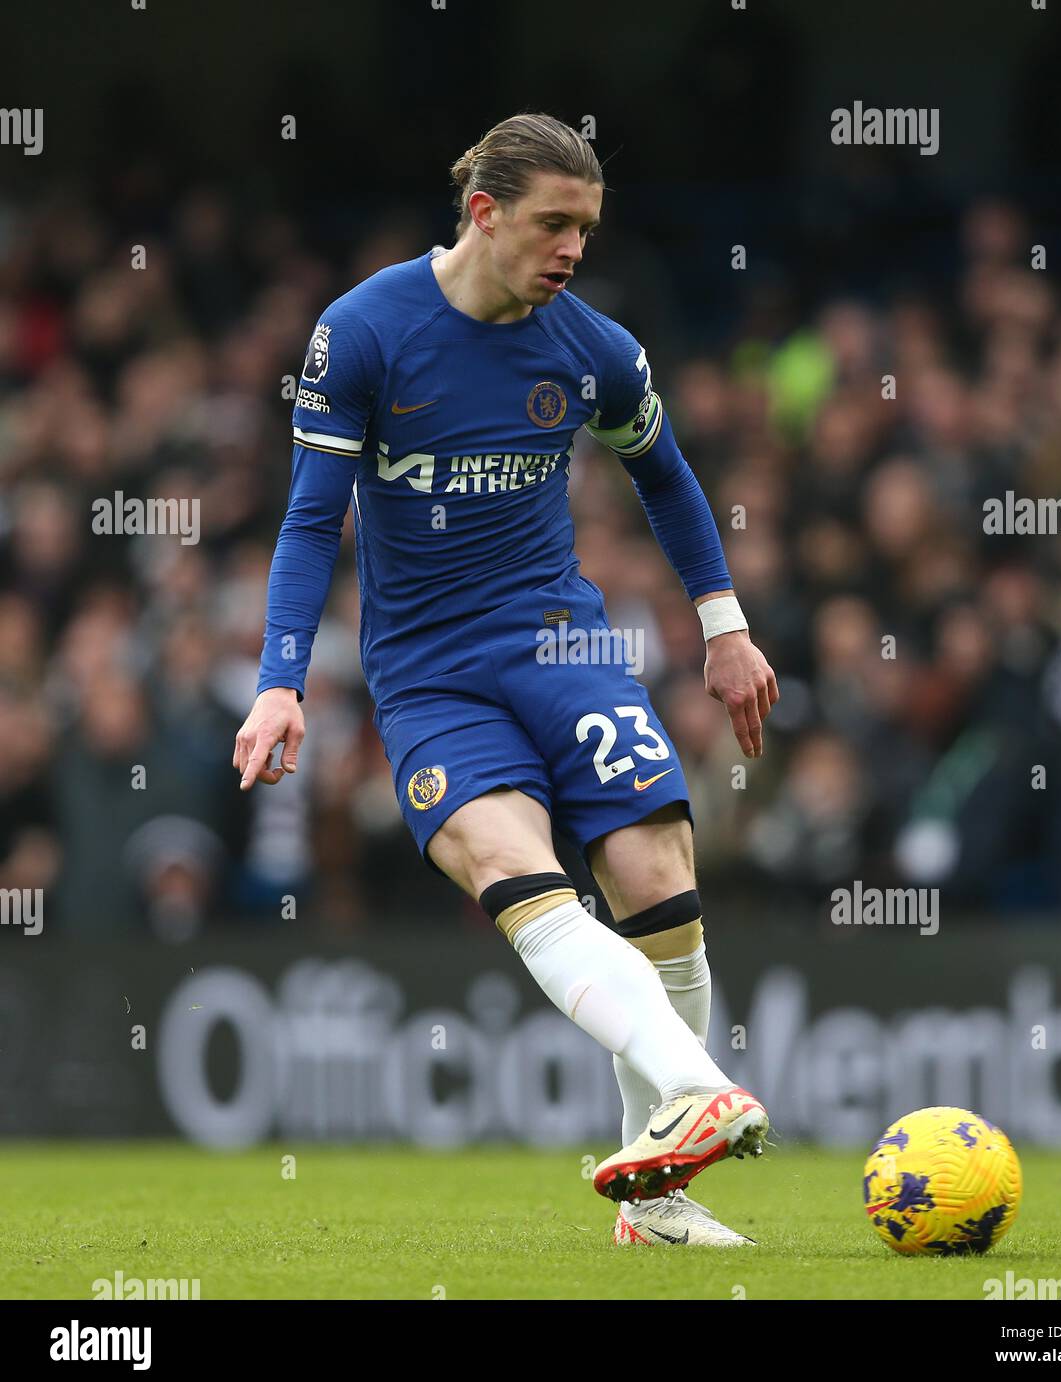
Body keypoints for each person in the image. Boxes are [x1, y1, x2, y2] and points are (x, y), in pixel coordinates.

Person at [234, 113, 778, 1246]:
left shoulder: (592, 346)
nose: (573, 248)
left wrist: (723, 628)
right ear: (483, 213)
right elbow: (308, 521)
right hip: (429, 675)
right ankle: (694, 1087)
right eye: (553, 224)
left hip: (560, 646)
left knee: (653, 868)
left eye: (586, 226)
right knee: (508, 864)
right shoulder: (363, 332)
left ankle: (660, 1185)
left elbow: (670, 482)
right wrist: (281, 677)